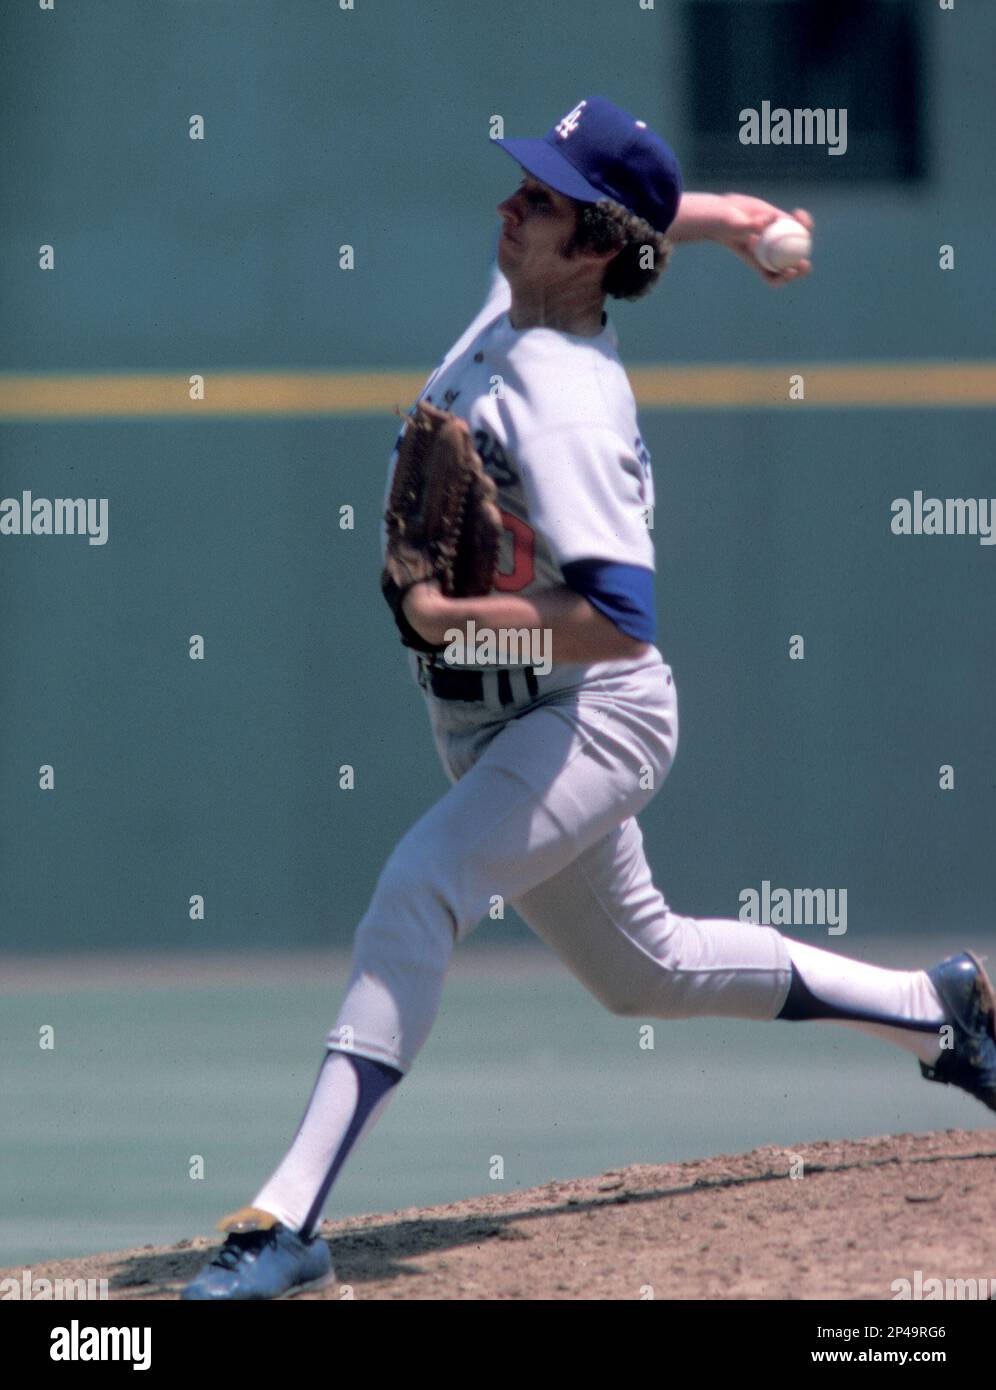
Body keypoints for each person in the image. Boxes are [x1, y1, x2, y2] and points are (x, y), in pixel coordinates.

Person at [181, 96, 995, 1301]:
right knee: (642, 970)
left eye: (542, 200)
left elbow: (621, 626)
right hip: (498, 719)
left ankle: (285, 1219)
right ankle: (942, 1014)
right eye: (521, 185)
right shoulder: (518, 292)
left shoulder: (570, 402)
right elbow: (655, 210)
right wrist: (736, 220)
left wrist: (453, 620)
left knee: (422, 884)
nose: (509, 208)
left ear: (599, 246)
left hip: (592, 719)